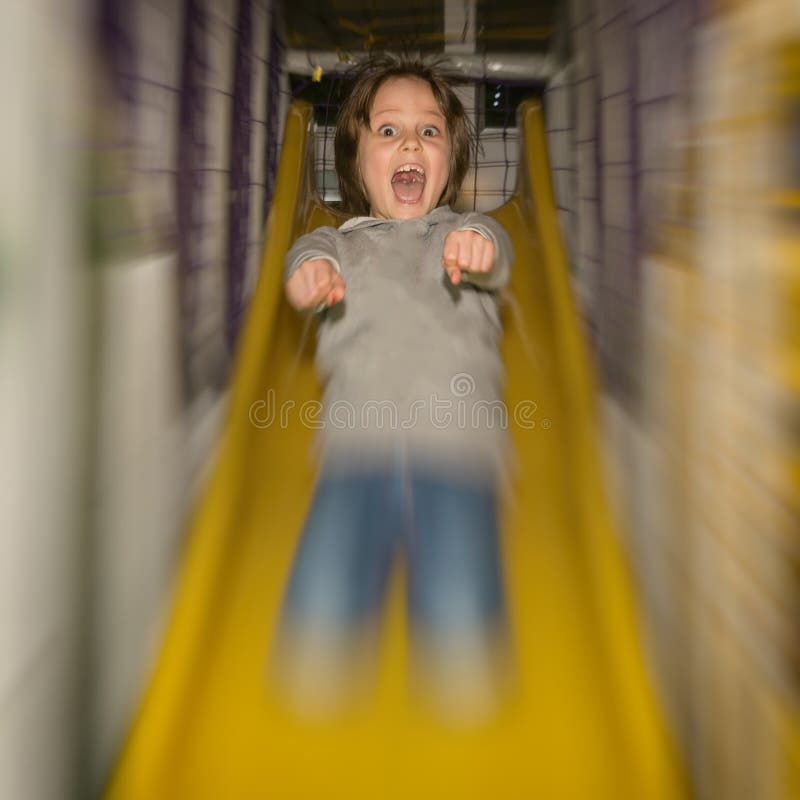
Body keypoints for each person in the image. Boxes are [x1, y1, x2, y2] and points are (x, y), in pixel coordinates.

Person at [271, 54, 515, 723]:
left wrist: (478, 245)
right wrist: (309, 276)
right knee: (313, 657)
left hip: (456, 454)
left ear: (450, 160)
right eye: (388, 130)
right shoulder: (337, 245)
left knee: (465, 670)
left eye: (429, 131)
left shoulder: (462, 234)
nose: (411, 143)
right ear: (357, 161)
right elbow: (303, 258)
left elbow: (495, 246)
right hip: (357, 452)